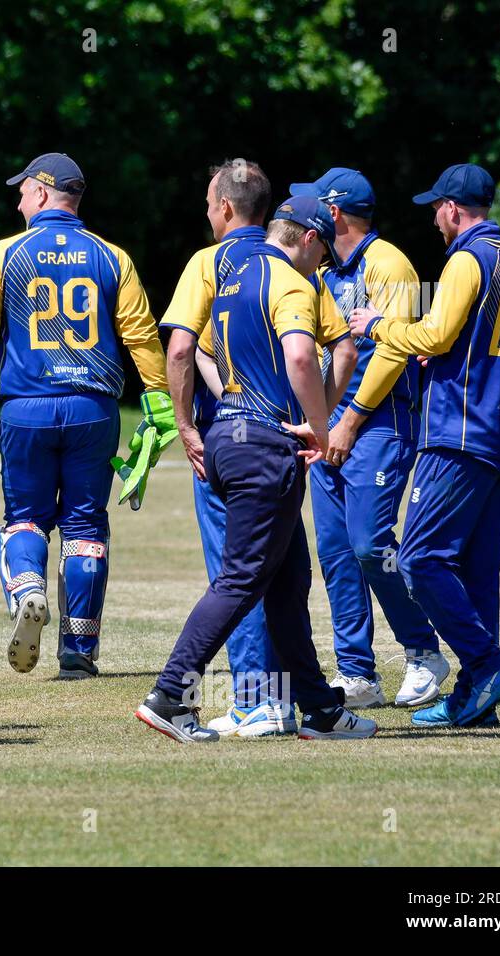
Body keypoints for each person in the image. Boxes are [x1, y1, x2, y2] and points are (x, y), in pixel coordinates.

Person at [136, 197, 374, 743]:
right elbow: (307, 356)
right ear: (311, 240)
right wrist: (319, 423)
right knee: (242, 577)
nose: (321, 268)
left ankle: (317, 710)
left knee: (288, 581)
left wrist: (189, 424)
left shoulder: (224, 272)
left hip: (226, 433)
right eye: (322, 256)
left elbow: (182, 349)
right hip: (265, 447)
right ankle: (170, 695)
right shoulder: (291, 280)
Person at [0, 152, 176, 679]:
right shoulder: (111, 256)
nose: (17, 199)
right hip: (93, 409)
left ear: (41, 193)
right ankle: (78, 652)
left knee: (24, 520)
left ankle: (28, 588)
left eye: (22, 190)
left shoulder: (5, 253)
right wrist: (161, 397)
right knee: (84, 526)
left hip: (26, 408)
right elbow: (141, 335)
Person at [348, 163, 500, 728]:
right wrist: (445, 354)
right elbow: (476, 343)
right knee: (476, 572)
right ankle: (480, 702)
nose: (434, 218)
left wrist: (376, 325)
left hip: (458, 435)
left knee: (420, 559)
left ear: (454, 209)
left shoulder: (465, 259)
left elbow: (433, 333)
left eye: (436, 208)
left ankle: (487, 663)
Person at [291, 167, 447, 709]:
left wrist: (349, 421)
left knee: (369, 543)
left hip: (377, 424)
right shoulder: (322, 271)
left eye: (313, 205)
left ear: (333, 212)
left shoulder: (390, 264)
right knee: (336, 551)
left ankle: (424, 651)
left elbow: (395, 350)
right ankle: (358, 674)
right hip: (330, 426)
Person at [158, 159, 289, 735]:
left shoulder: (208, 263)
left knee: (234, 572)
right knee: (278, 570)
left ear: (227, 208)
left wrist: (186, 425)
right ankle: (284, 698)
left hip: (223, 444)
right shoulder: (282, 265)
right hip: (275, 437)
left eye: (210, 203)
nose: (206, 212)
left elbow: (185, 349)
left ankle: (253, 697)